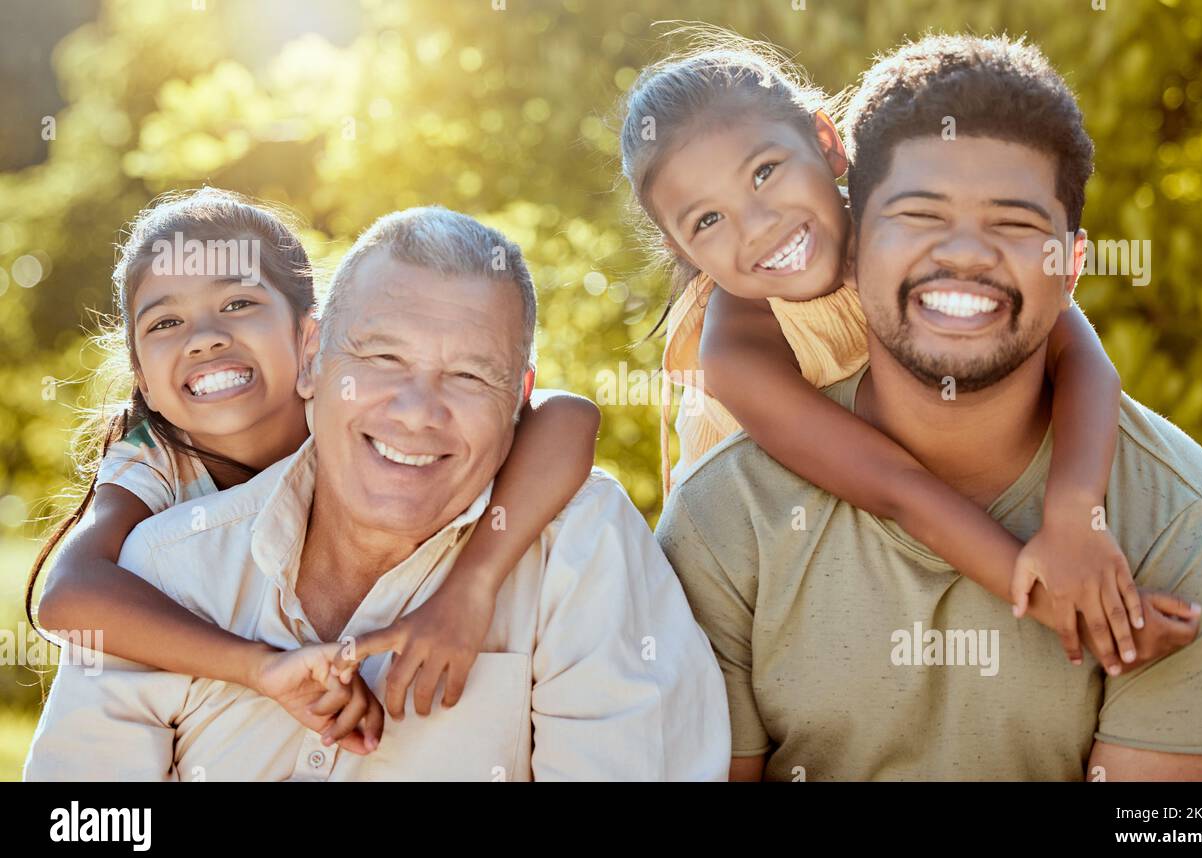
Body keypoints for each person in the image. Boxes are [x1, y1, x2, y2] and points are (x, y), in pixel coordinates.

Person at [654, 34, 1202, 780]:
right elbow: (895, 486)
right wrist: (1043, 592)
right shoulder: (728, 454)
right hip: (813, 503)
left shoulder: (1190, 525)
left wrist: (1076, 513)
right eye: (707, 221)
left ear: (827, 146)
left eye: (763, 172)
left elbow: (1081, 354)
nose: (757, 225)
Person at [25, 205, 730, 781]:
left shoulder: (575, 546)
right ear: (316, 357)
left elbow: (570, 415)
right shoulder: (162, 549)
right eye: (382, 357)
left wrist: (473, 581)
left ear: (517, 398)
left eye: (469, 376)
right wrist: (259, 667)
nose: (417, 410)